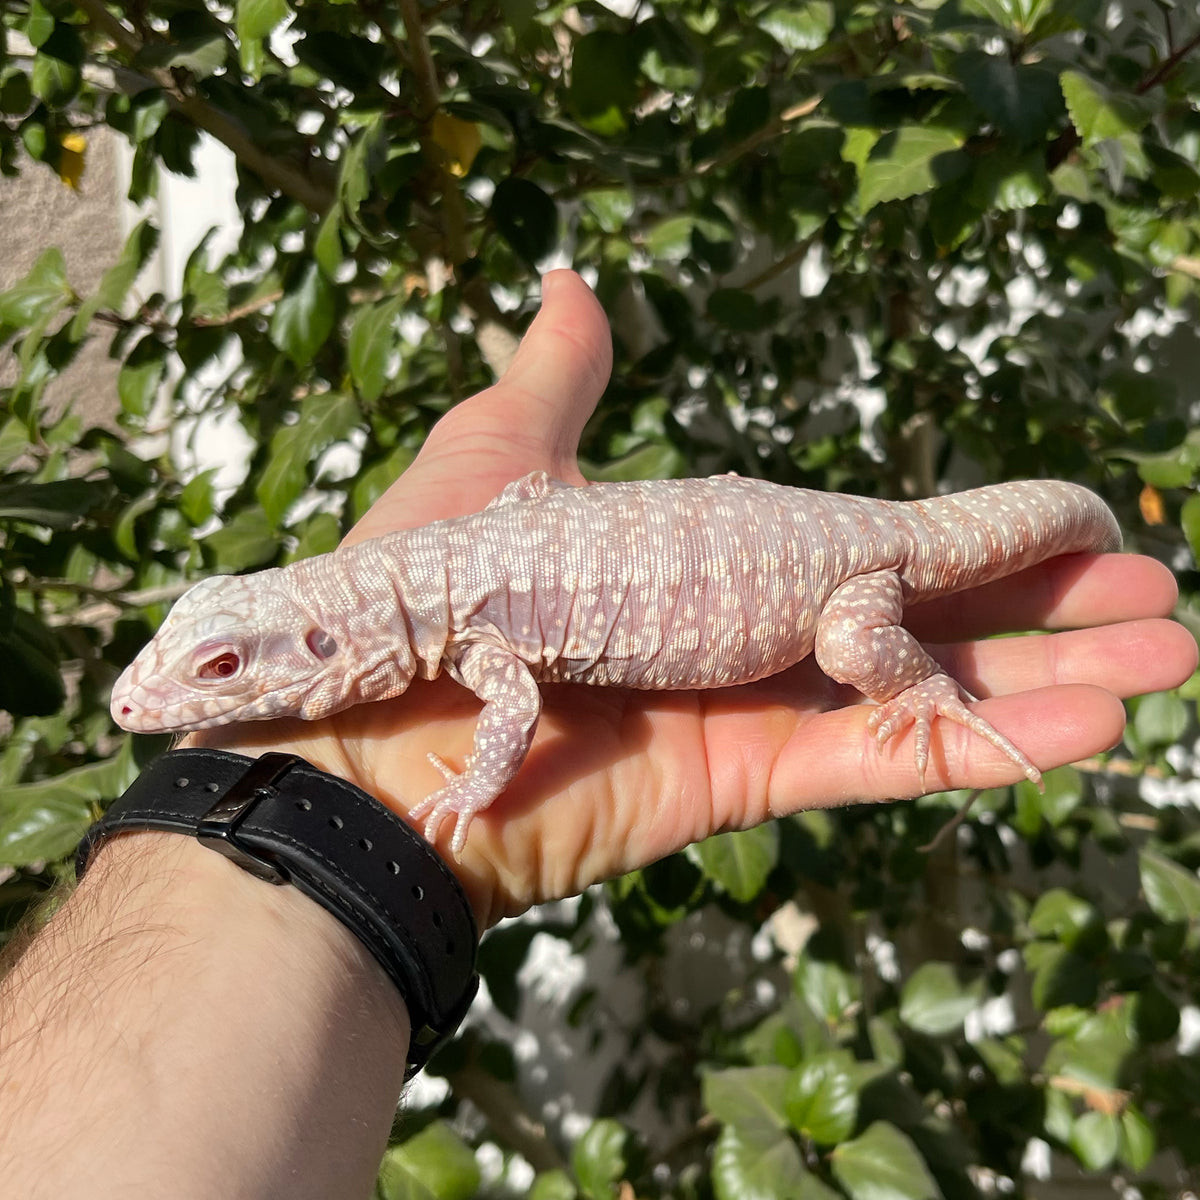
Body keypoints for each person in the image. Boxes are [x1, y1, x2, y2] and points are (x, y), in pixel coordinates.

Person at [0, 270, 1192, 1198]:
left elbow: (509, 710)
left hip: (840, 572)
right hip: (783, 524)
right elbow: (518, 530)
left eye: (216, 671)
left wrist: (468, 783)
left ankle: (928, 684)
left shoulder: (457, 625)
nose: (162, 696)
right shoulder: (425, 589)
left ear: (319, 644)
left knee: (857, 657)